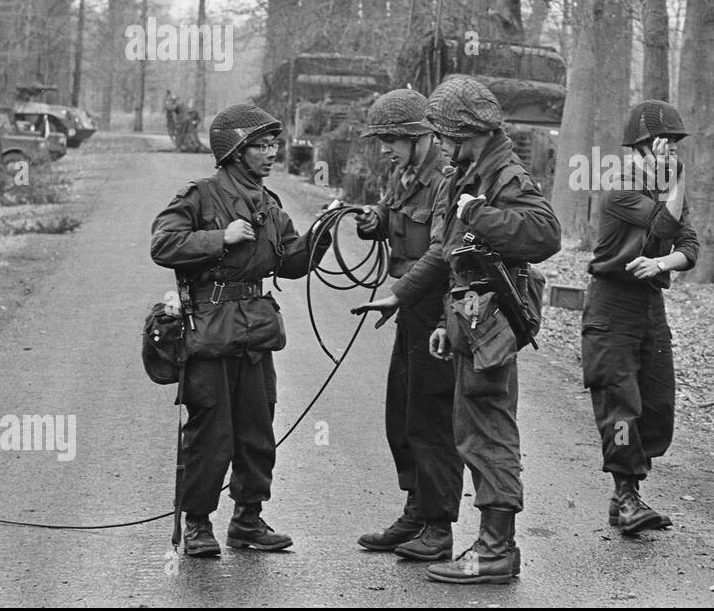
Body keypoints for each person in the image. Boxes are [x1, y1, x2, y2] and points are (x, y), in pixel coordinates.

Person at [353, 77, 560, 584]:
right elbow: (449, 256)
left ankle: (496, 550)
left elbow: (546, 234)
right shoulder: (466, 173)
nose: (440, 142)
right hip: (466, 318)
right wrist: (420, 307)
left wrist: (479, 213)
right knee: (471, 431)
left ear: (470, 132)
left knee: (489, 433)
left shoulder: (504, 176)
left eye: (445, 134)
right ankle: (490, 545)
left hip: (493, 324)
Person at [151, 103, 331, 557]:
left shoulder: (269, 204)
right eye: (261, 146)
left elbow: (290, 263)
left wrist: (322, 234)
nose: (271, 154)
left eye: (274, 145)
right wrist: (220, 239)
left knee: (257, 432)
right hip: (210, 334)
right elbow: (163, 243)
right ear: (234, 150)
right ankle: (197, 525)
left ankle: (247, 521)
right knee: (210, 436)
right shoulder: (201, 194)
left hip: (254, 335)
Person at [354, 89, 464, 561]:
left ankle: (439, 528)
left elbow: (443, 254)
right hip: (410, 308)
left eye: (391, 138)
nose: (383, 148)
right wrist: (372, 218)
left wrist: (398, 295)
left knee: (433, 418)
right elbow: (392, 211)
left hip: (438, 310)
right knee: (401, 413)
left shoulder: (446, 179)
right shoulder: (404, 172)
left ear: (420, 136)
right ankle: (416, 511)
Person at [582, 100, 698, 534]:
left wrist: (662, 265)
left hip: (650, 303)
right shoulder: (618, 186)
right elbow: (666, 227)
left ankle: (626, 494)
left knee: (656, 402)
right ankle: (627, 495)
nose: (670, 152)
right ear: (642, 147)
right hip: (612, 305)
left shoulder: (668, 192)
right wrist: (679, 180)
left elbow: (689, 246)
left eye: (674, 146)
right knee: (621, 404)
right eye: (663, 144)